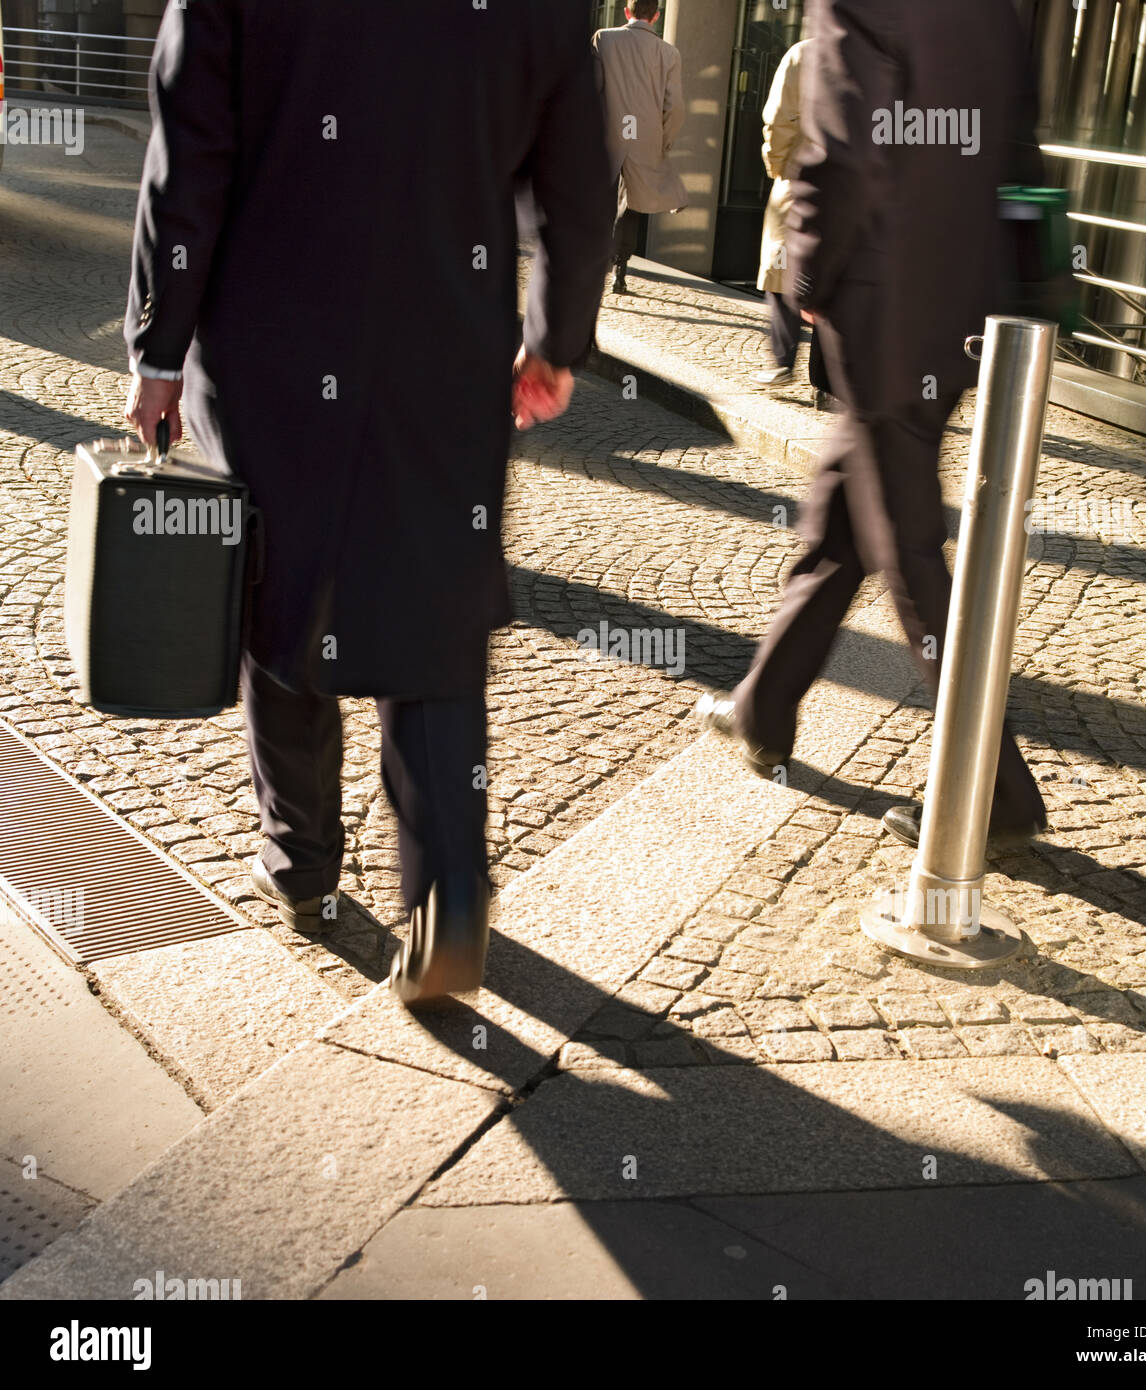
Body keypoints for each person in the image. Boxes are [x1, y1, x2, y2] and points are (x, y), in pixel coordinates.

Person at [123, 0, 613, 1003]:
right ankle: (451, 901)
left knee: (280, 587)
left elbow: (189, 157)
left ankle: (299, 860)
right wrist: (557, 337)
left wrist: (158, 348)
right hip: (444, 345)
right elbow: (577, 178)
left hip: (270, 336)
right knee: (433, 608)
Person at [701, 0, 1048, 848]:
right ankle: (763, 706)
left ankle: (993, 795)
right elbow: (1019, 159)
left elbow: (841, 154)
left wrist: (808, 281)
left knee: (907, 552)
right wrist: (1030, 295)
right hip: (960, 311)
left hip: (882, 312)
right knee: (839, 521)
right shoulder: (998, 16)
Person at [750, 36, 830, 408]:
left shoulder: (803, 54)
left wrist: (777, 168)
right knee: (835, 282)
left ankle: (783, 358)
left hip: (803, 178)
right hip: (858, 190)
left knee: (783, 271)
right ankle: (827, 384)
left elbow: (779, 119)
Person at [593, 2, 687, 296]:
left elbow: (590, 89)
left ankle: (594, 263)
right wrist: (663, 142)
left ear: (626, 12)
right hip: (644, 137)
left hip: (606, 134)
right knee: (631, 206)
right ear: (656, 15)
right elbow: (675, 107)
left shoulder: (603, 39)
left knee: (600, 201)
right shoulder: (669, 53)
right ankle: (620, 270)